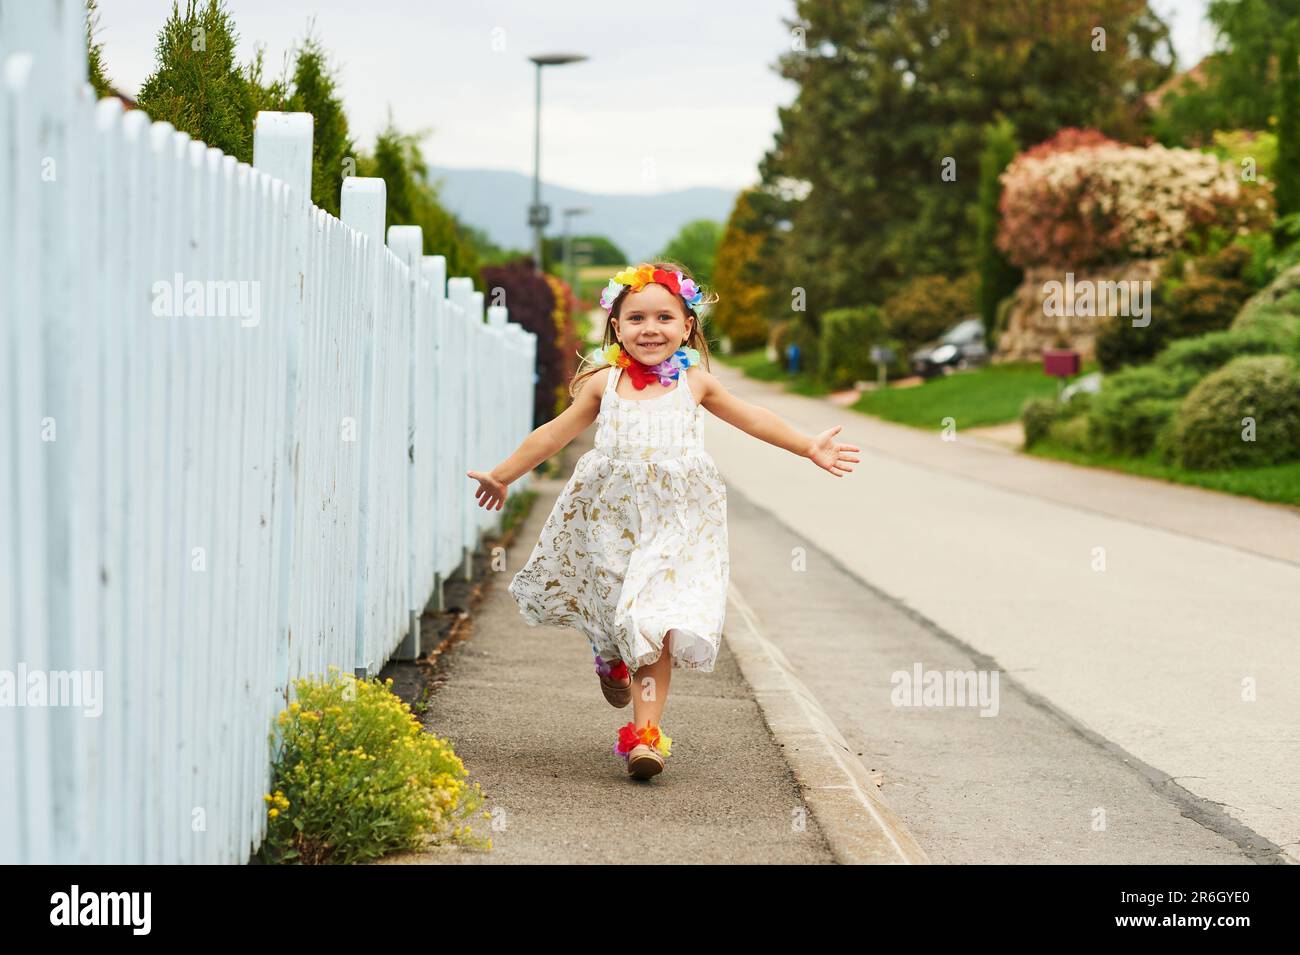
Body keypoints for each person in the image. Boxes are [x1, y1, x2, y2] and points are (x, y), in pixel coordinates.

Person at [467, 261, 859, 781]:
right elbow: (552, 435)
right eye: (636, 319)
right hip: (608, 519)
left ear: (687, 325)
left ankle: (645, 738)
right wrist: (504, 474)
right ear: (616, 327)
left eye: (663, 318)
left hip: (677, 524)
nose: (650, 329)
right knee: (614, 615)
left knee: (657, 622)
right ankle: (609, 658)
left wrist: (808, 445)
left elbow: (754, 418)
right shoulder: (602, 385)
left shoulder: (695, 384)